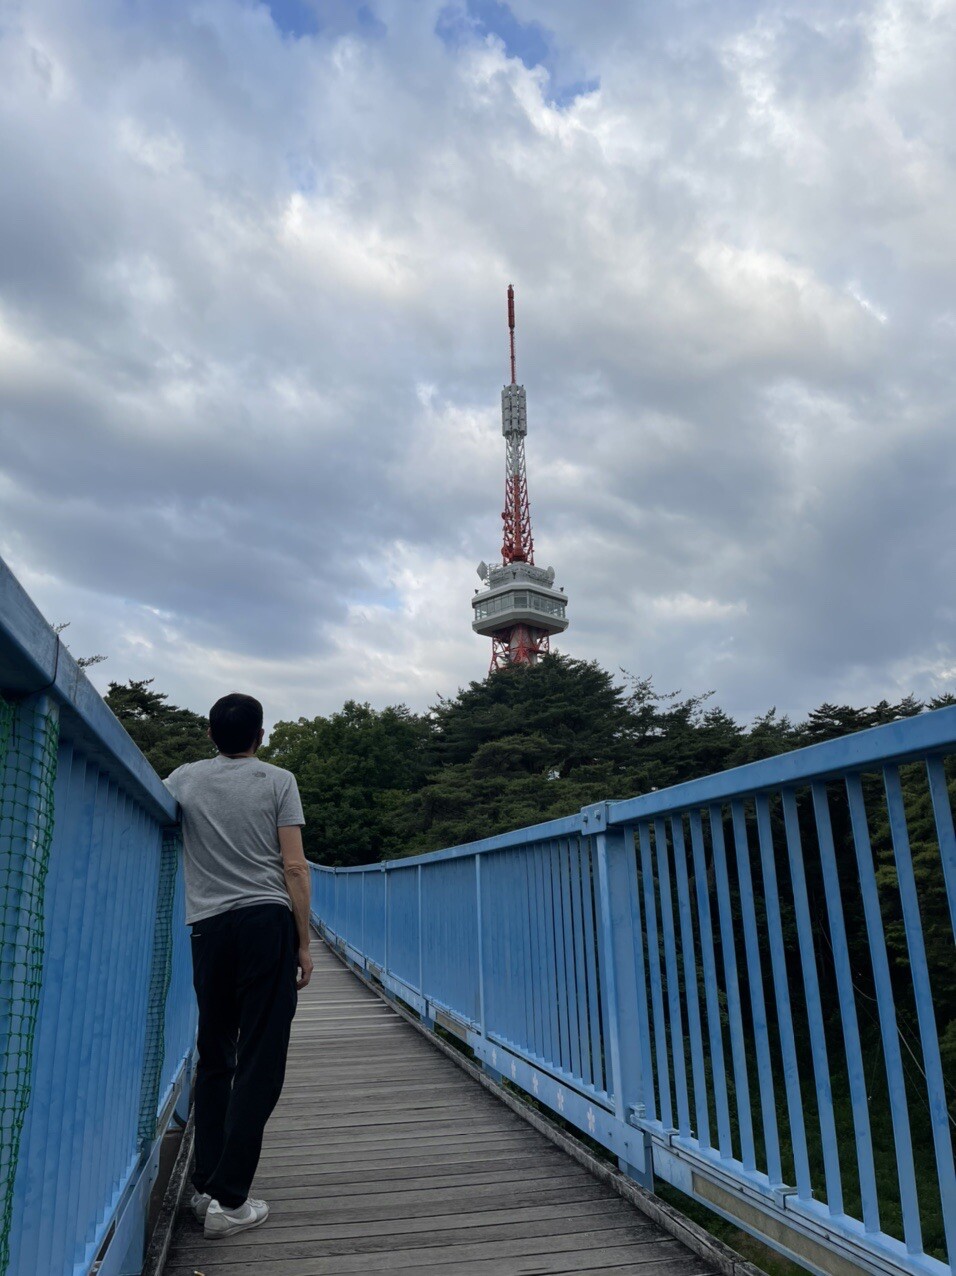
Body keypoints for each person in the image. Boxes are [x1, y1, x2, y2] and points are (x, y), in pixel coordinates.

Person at [164, 692, 313, 1239]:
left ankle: (207, 1187)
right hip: (265, 924)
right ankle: (231, 1201)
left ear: (210, 734)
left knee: (215, 1053)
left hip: (208, 928)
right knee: (260, 1058)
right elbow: (294, 867)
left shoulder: (185, 778)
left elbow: (155, 805)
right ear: (261, 735)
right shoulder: (278, 781)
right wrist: (303, 943)